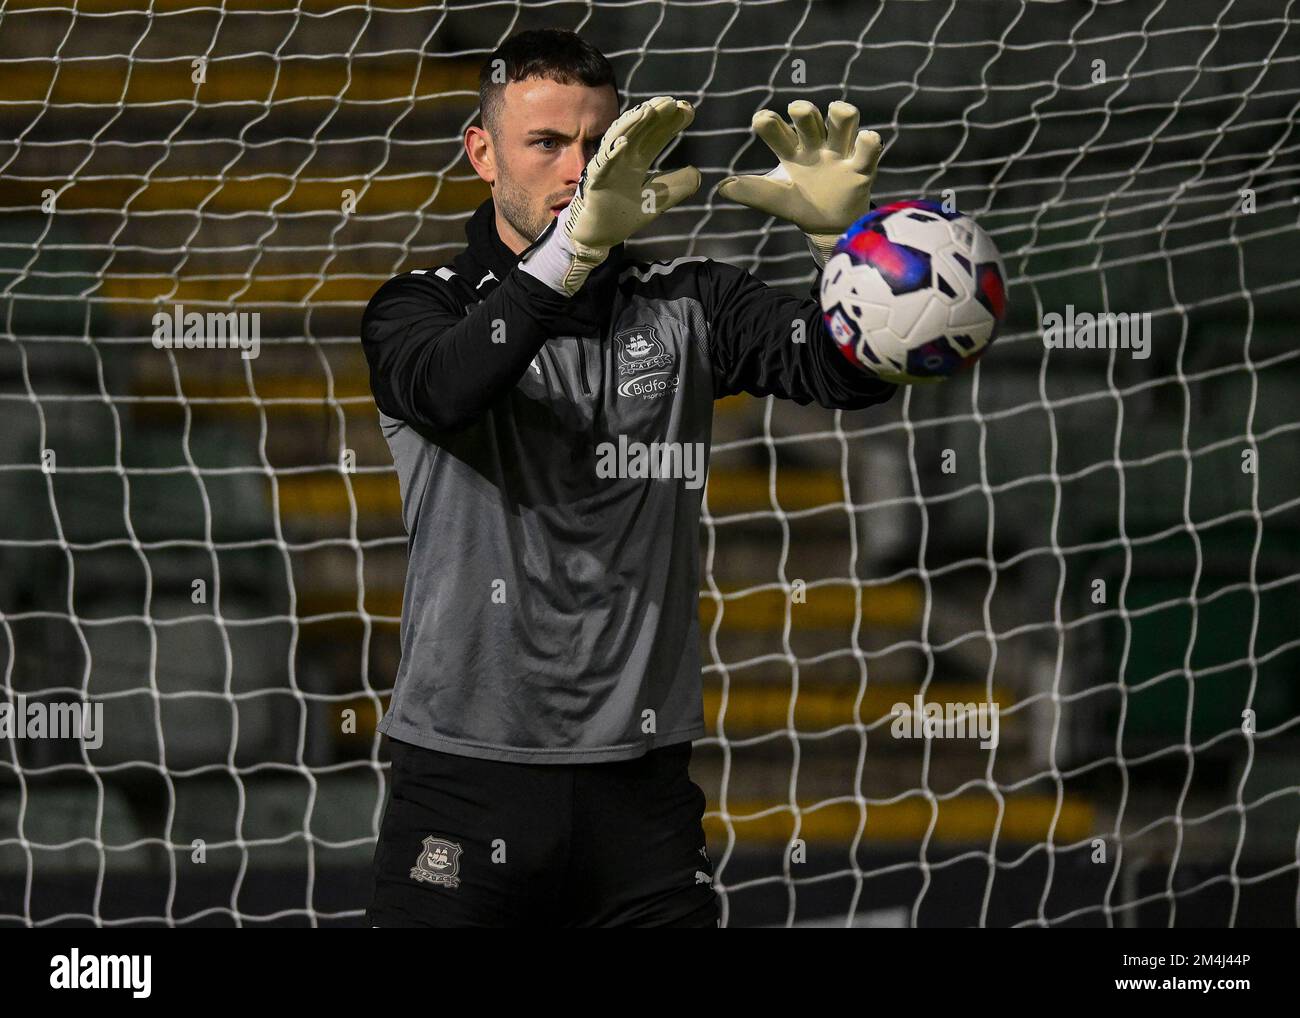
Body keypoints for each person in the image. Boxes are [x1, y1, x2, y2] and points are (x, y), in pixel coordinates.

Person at [361, 27, 894, 927]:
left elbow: (850, 375)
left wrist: (846, 253)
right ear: (482, 153)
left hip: (640, 794)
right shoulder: (423, 305)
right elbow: (448, 391)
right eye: (546, 143)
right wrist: (567, 257)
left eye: (597, 144)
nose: (578, 170)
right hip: (460, 781)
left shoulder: (689, 304)